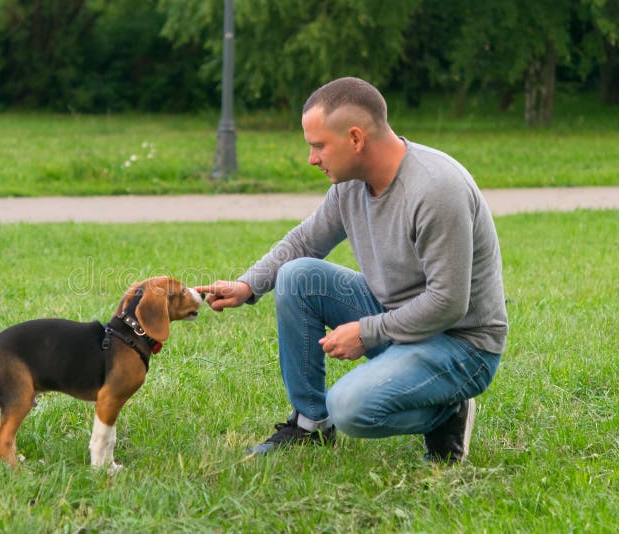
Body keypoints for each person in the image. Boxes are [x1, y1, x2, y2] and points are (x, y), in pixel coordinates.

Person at [195, 77, 507, 463]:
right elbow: (304, 242)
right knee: (298, 274)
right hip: (396, 314)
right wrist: (247, 286)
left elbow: (448, 302)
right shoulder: (350, 185)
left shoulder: (436, 190)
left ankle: (449, 413)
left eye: (318, 145)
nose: (312, 158)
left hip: (460, 344)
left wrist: (365, 332)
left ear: (356, 139)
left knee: (350, 407)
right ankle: (310, 425)